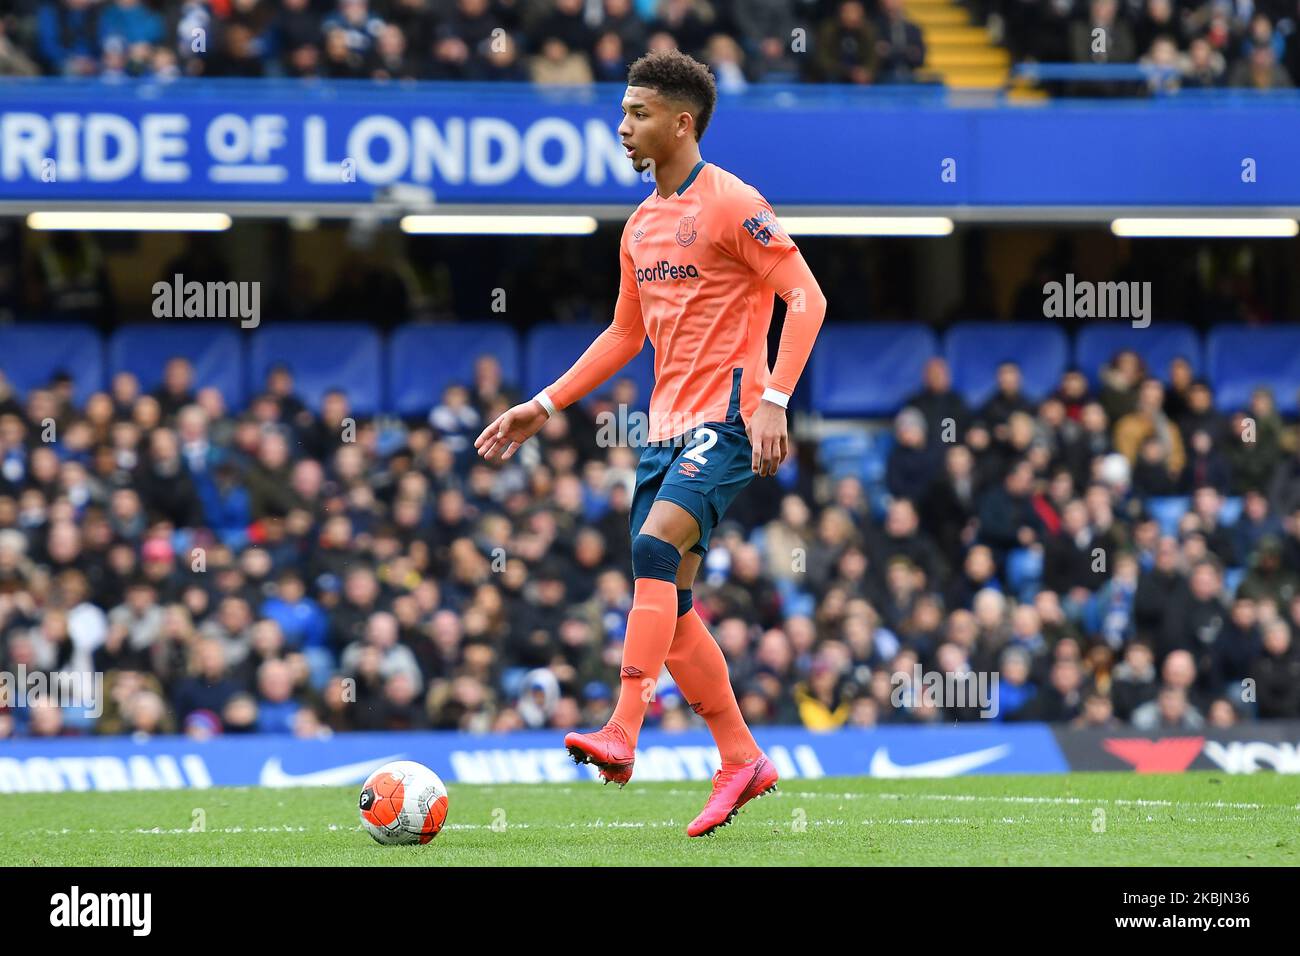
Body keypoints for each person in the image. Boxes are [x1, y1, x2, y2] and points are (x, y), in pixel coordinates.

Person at [475, 49, 826, 838]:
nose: (622, 126)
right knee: (672, 606)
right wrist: (544, 403)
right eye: (623, 112)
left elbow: (806, 298)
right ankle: (741, 757)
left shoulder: (734, 203)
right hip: (663, 429)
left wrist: (774, 400)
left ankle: (623, 730)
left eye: (636, 113)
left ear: (681, 121)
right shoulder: (639, 225)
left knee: (652, 552)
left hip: (729, 419)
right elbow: (624, 334)